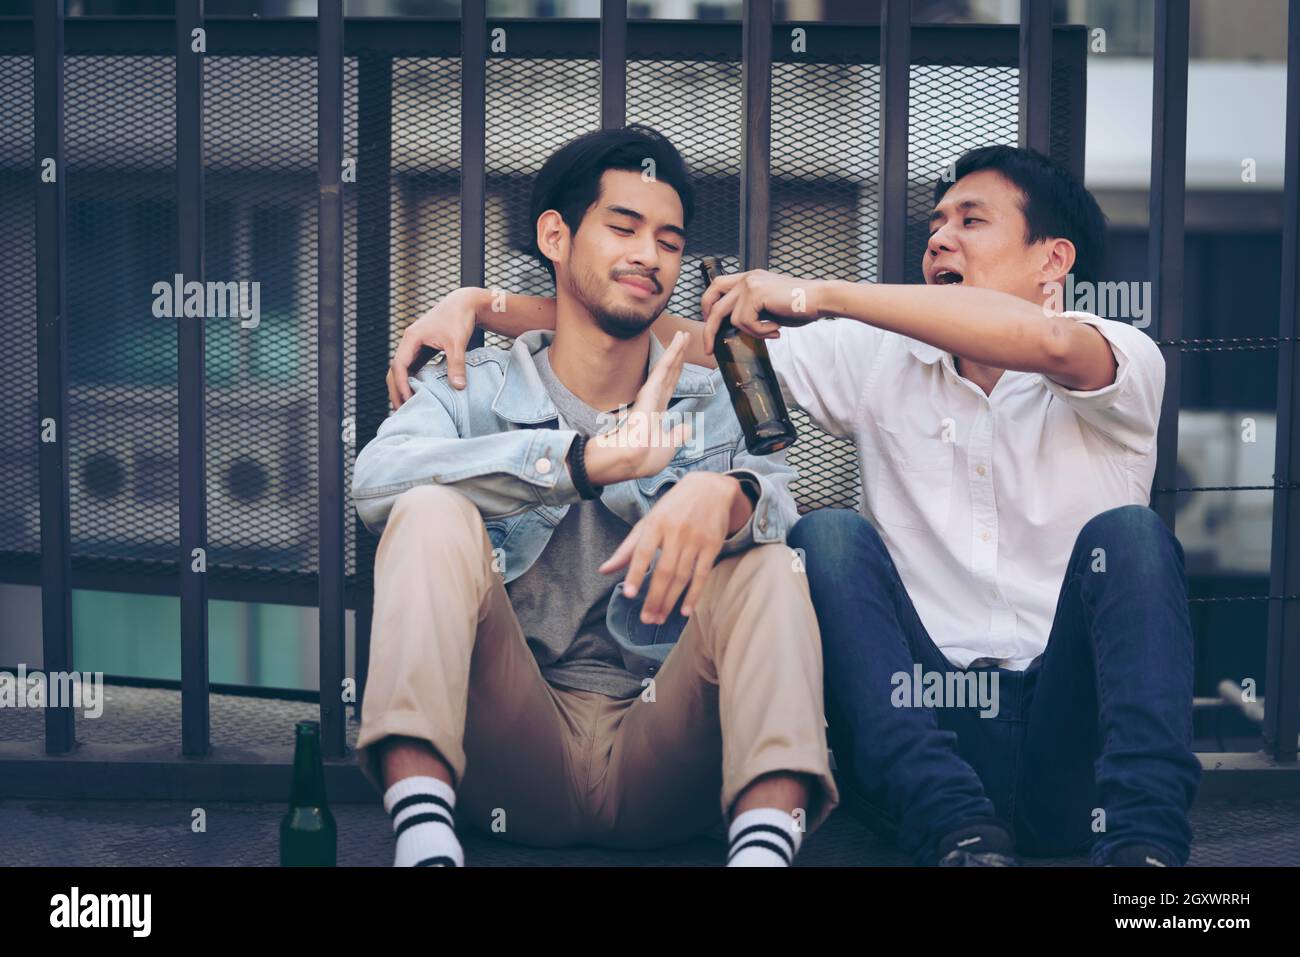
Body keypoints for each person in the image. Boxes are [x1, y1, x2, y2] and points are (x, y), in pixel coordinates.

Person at [393, 144, 1200, 868]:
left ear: (1052, 258)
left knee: (1131, 537)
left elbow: (1047, 343)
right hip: (929, 753)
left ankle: (1147, 857)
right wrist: (487, 306)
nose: (939, 236)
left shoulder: (1120, 356)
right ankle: (959, 841)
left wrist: (817, 292)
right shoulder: (880, 354)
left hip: (1074, 748)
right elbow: (676, 335)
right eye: (936, 220)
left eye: (971, 219)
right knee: (829, 537)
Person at [353, 124, 838, 868]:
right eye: (623, 227)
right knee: (426, 506)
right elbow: (376, 480)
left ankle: (764, 854)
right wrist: (577, 460)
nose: (649, 254)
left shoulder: (713, 399)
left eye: (670, 241)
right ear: (555, 234)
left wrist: (726, 495)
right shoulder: (471, 384)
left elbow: (782, 510)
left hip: (669, 757)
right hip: (510, 751)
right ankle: (423, 845)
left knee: (772, 564)